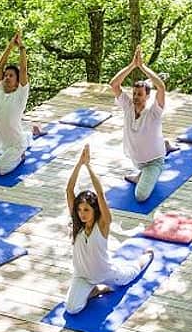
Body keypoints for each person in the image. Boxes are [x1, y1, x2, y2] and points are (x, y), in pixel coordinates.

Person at [64, 144, 153, 313]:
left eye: (86, 210)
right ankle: (94, 290)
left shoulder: (103, 225)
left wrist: (89, 166)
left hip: (105, 272)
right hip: (82, 275)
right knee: (72, 308)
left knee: (130, 274)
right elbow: (69, 190)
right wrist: (79, 164)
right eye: (79, 210)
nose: (82, 214)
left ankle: (146, 256)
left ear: (94, 210)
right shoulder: (77, 225)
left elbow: (100, 194)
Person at [109, 45, 170, 202]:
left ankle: (147, 174)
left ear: (147, 96)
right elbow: (114, 84)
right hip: (137, 161)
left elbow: (161, 87)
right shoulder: (128, 106)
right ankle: (142, 174)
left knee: (140, 196)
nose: (136, 97)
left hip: (153, 162)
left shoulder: (154, 112)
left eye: (140, 94)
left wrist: (142, 67)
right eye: (134, 93)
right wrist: (132, 65)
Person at [0, 31, 42, 175]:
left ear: (17, 80)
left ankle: (20, 155)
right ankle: (31, 134)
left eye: (11, 76)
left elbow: (23, 69)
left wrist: (21, 47)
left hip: (15, 145)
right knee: (21, 137)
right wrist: (10, 46)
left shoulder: (20, 93)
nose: (7, 77)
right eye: (6, 75)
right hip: (5, 144)